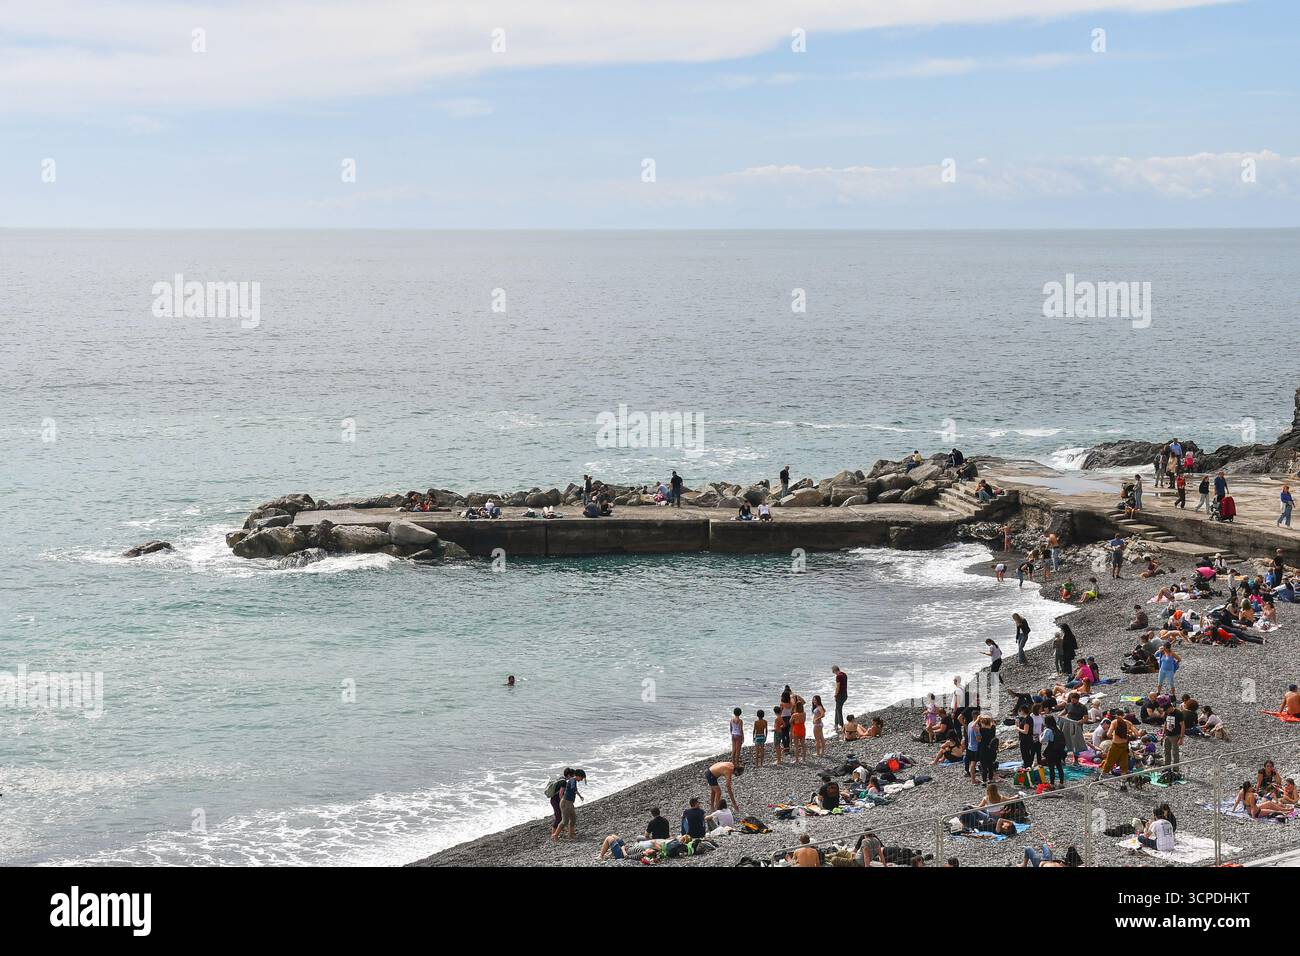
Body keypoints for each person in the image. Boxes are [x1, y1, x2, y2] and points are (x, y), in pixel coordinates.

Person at [551, 768, 585, 841]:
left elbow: (574, 789)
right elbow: (573, 788)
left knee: (573, 818)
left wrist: (580, 796)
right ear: (578, 776)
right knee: (565, 821)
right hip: (565, 802)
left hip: (570, 803)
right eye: (581, 778)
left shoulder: (573, 780)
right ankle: (555, 835)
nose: (581, 780)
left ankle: (571, 834)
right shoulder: (572, 780)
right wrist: (575, 792)